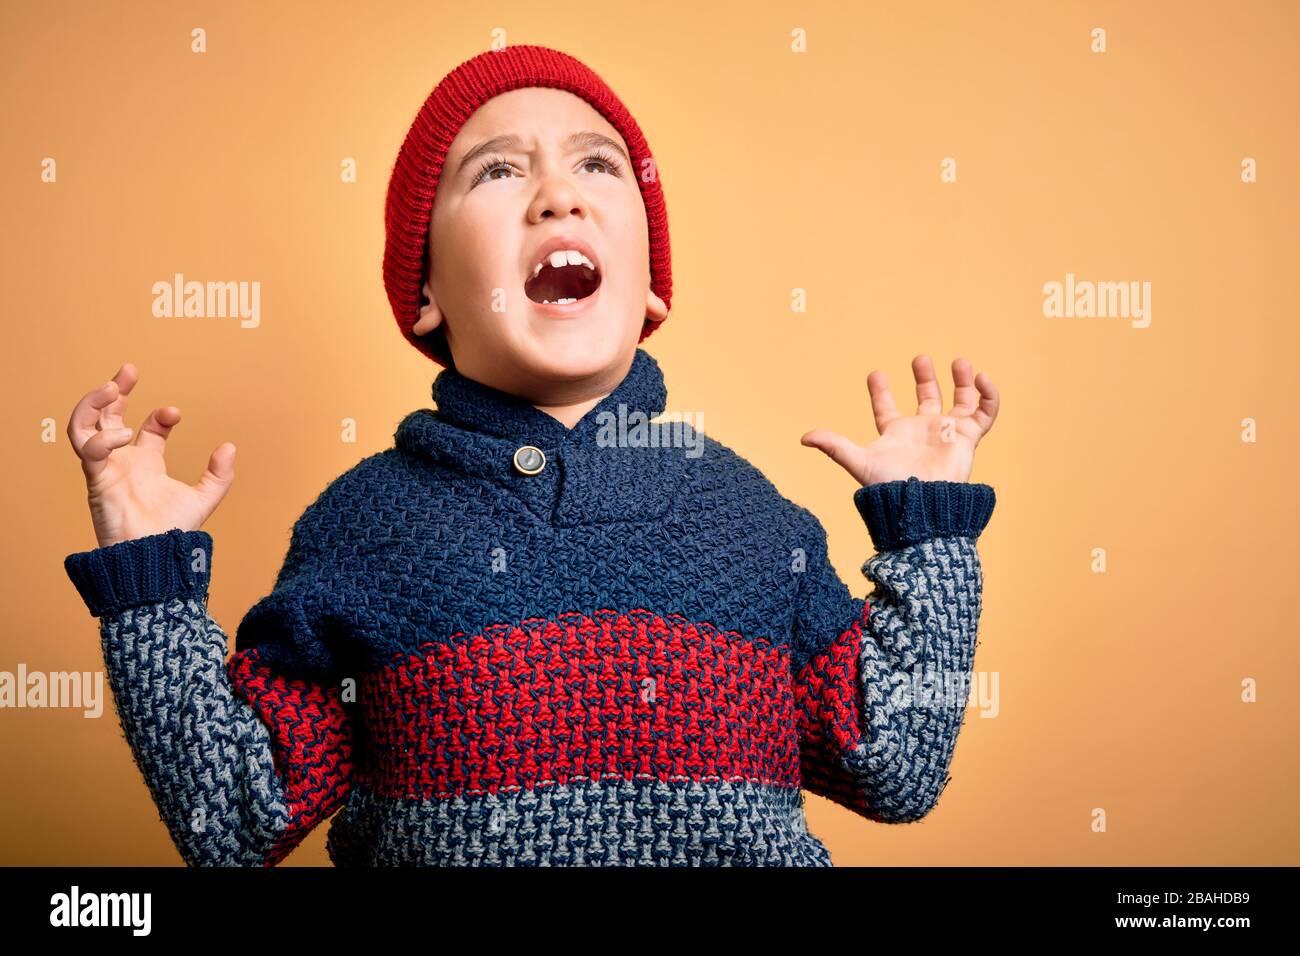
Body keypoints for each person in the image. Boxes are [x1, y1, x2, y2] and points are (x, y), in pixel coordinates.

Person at [63, 44, 1000, 866]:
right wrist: (149, 587)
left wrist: (929, 534)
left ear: (651, 293)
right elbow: (230, 821)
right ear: (424, 292)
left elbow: (899, 767)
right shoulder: (362, 527)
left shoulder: (754, 521)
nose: (558, 192)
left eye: (598, 166)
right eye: (498, 173)